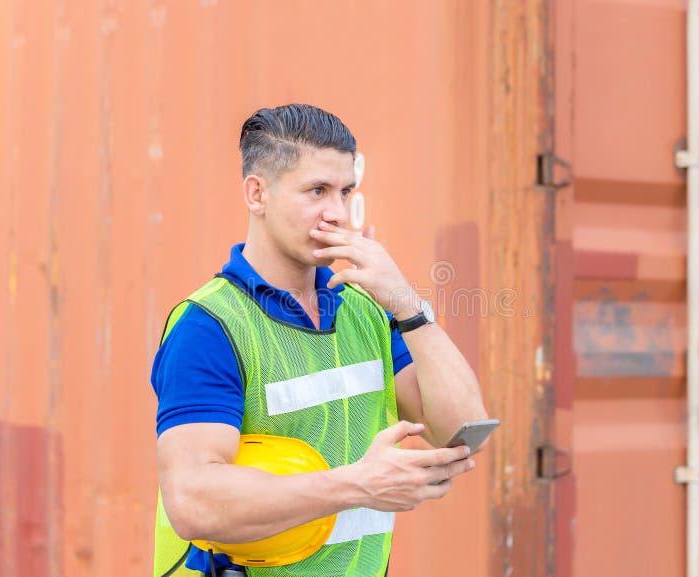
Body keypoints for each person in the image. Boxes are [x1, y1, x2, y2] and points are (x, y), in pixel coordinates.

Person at [151, 103, 489, 577]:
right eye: (317, 191)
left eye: (346, 191)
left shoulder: (367, 310)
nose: (337, 213)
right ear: (257, 194)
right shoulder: (209, 325)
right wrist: (357, 485)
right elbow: (193, 501)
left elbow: (463, 431)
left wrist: (408, 305)